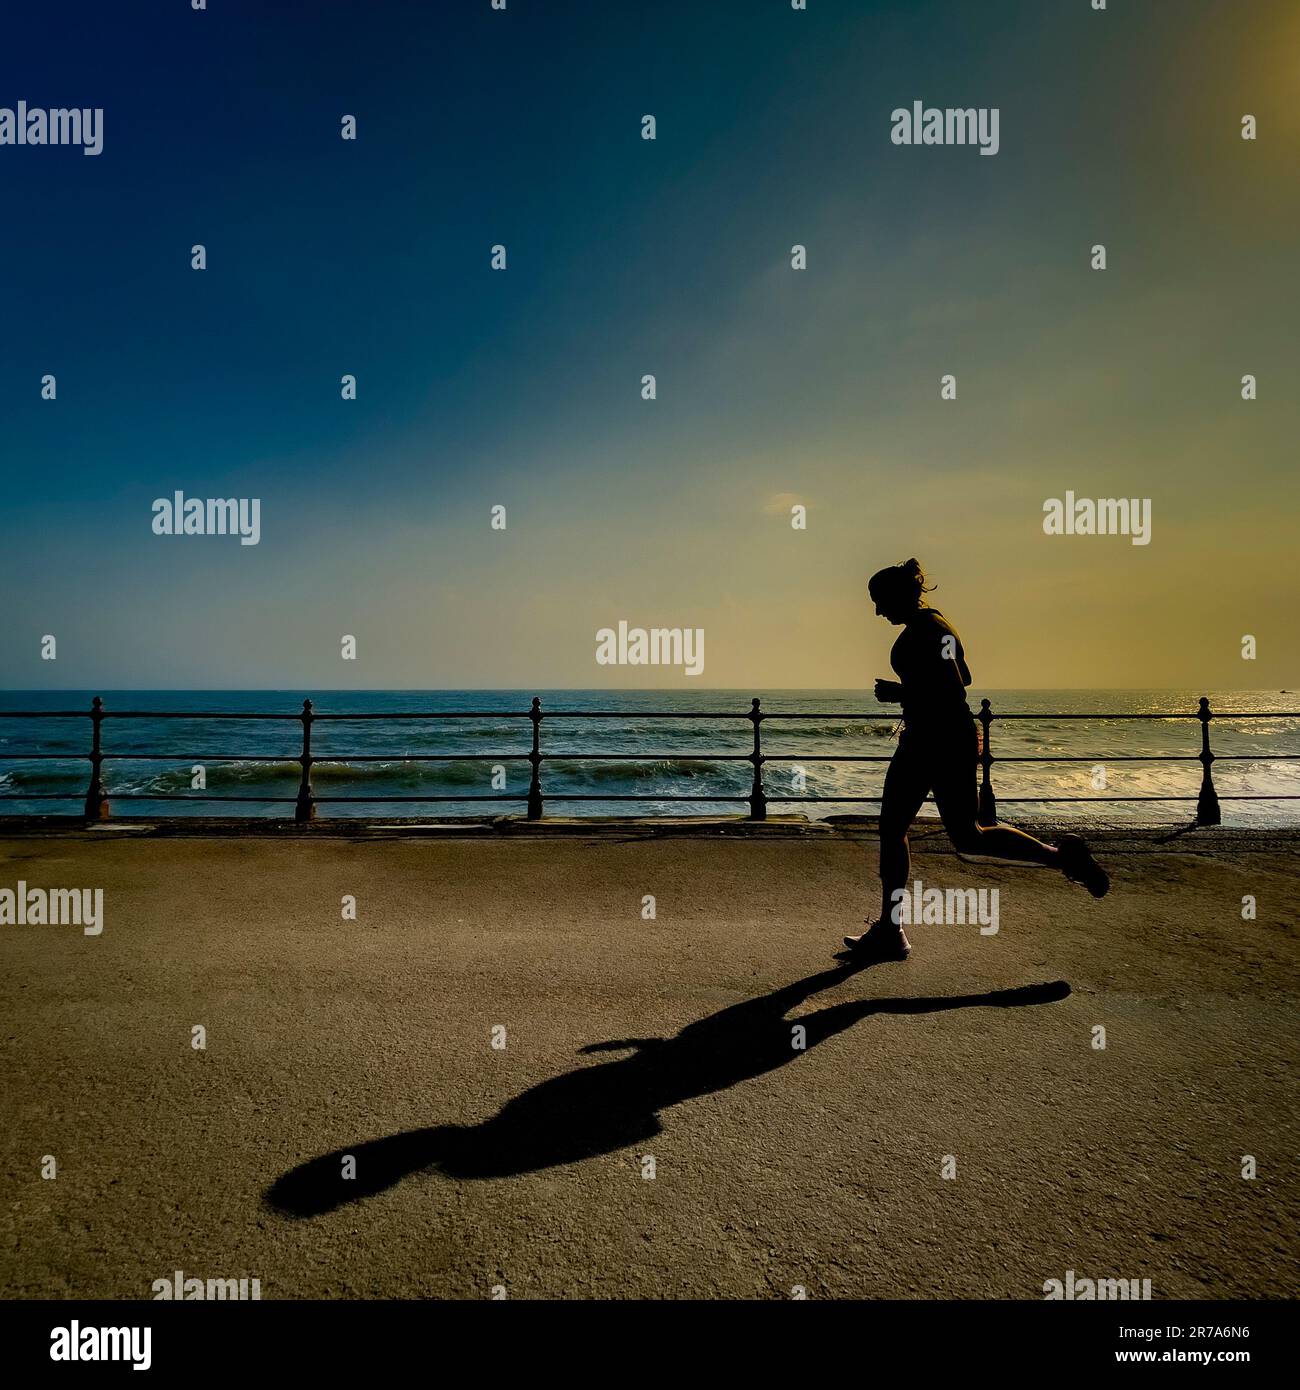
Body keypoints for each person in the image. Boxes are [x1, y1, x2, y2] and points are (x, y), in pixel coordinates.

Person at [844, 559, 1109, 960]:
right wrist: (913, 687)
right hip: (946, 738)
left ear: (900, 595)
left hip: (932, 740)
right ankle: (1060, 858)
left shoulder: (928, 630)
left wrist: (901, 694)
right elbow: (963, 676)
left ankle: (891, 930)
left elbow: (952, 691)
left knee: (896, 829)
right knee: (967, 834)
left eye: (880, 601)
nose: (878, 611)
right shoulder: (939, 624)